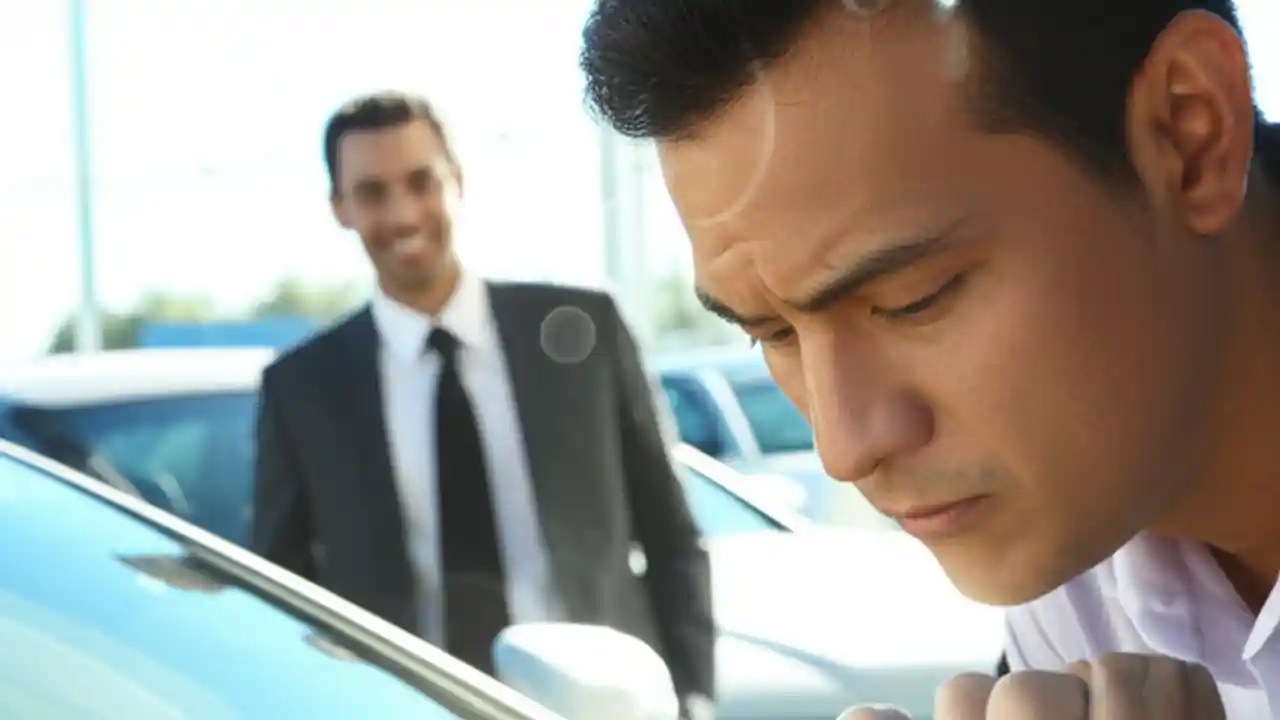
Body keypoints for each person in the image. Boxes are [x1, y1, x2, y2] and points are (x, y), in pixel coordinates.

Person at [580, 0, 1280, 717]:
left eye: (916, 298)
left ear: (1191, 135)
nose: (843, 448)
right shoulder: (1086, 538)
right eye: (774, 334)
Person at [251, 91, 714, 717]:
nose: (404, 212)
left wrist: (691, 699)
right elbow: (281, 591)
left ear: (457, 180)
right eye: (372, 192)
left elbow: (672, 534)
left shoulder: (582, 331)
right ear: (340, 207)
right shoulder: (302, 388)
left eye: (421, 181)